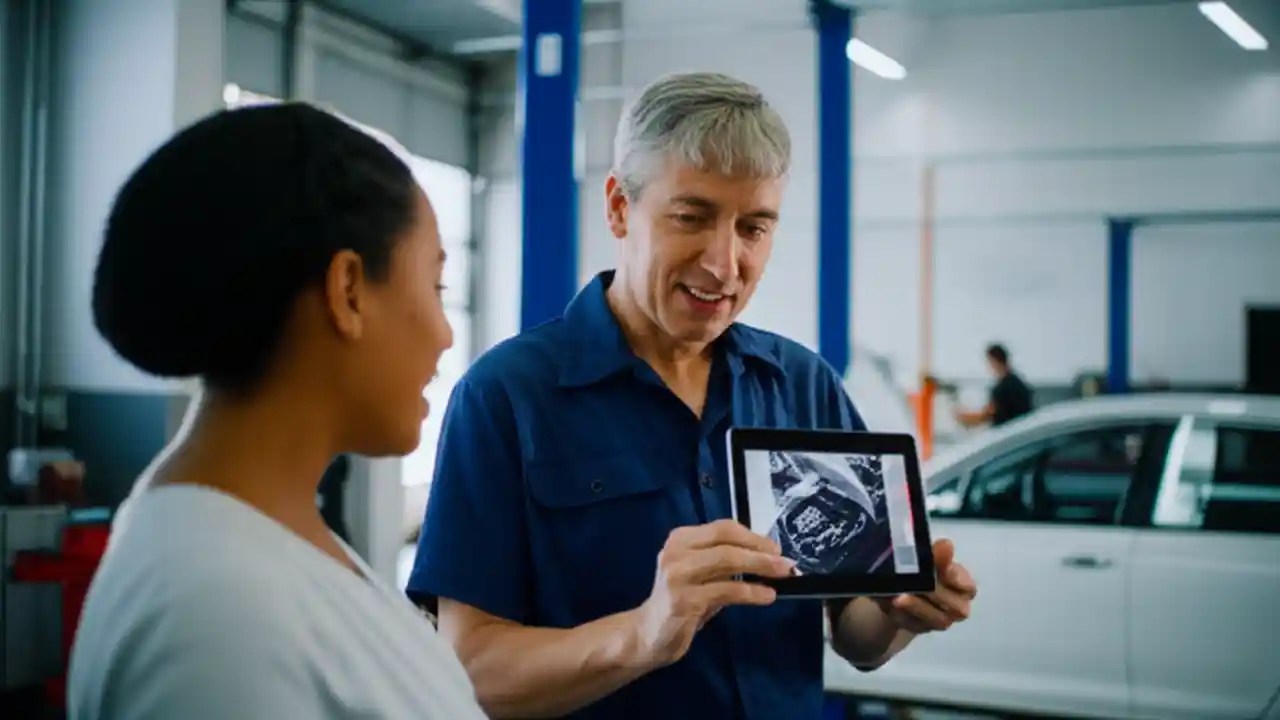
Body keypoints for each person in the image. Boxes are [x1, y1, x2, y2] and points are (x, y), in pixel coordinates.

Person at [408, 71, 979, 719]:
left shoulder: (803, 385)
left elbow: (856, 636)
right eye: (692, 217)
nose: (724, 263)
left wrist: (900, 612)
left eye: (754, 228)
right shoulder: (507, 397)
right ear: (620, 207)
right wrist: (645, 633)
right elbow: (470, 670)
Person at [68, 103, 486, 720]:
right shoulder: (212, 610)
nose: (446, 335)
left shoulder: (265, 547)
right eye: (434, 286)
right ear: (348, 292)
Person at [955, 343, 1034, 428]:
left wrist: (963, 417)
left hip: (1005, 435)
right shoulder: (1020, 385)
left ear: (994, 361)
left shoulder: (1001, 389)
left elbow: (987, 415)